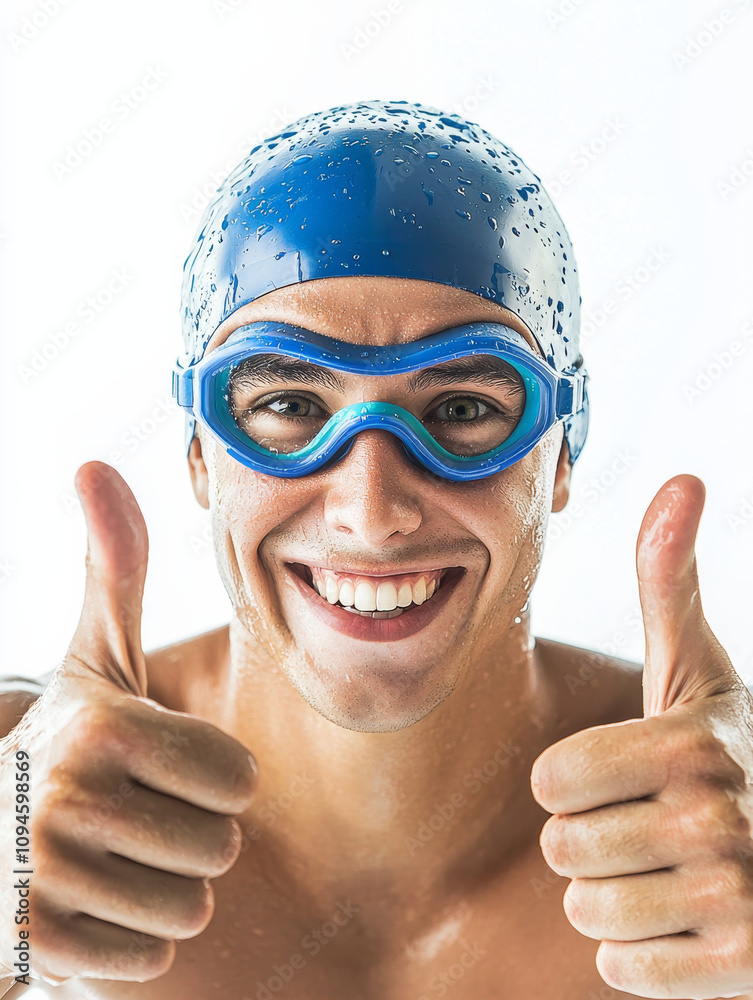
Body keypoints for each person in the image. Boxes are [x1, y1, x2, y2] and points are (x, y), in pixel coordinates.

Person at [2, 99, 753, 1000]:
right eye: (289, 406)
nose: (372, 511)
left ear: (560, 450)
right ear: (201, 450)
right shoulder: (27, 797)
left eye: (462, 410)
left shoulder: (722, 832)